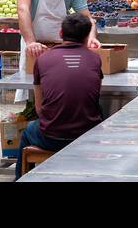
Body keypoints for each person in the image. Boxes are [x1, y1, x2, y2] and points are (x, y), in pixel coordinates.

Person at [16, 13, 104, 179]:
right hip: (86, 137)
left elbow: (39, 108)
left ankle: (20, 178)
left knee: (28, 130)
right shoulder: (95, 59)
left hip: (52, 136)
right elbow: (94, 97)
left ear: (61, 34)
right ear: (87, 36)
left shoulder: (43, 59)